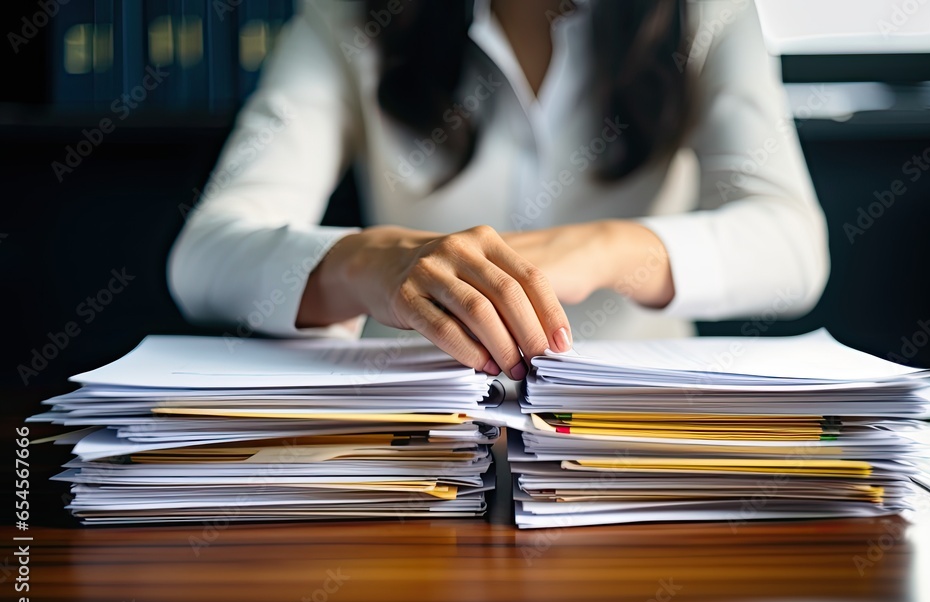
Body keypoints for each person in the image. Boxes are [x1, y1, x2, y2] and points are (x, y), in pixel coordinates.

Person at [168, 0, 829, 380]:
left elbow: (792, 243)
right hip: (407, 452)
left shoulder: (704, 12)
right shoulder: (346, 16)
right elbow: (203, 255)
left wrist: (606, 248)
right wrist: (371, 260)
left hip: (635, 449)